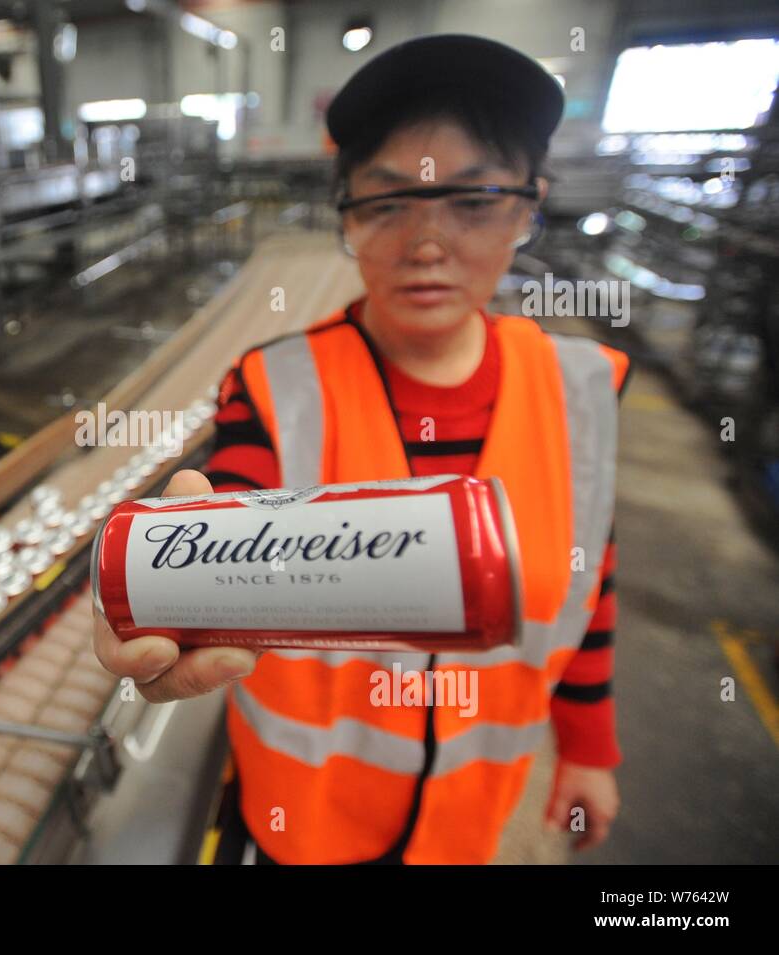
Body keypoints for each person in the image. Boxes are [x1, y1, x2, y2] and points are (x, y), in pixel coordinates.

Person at [93, 34, 630, 864]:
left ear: (530, 205)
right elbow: (231, 495)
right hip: (300, 824)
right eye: (387, 203)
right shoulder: (277, 388)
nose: (425, 244)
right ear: (344, 213)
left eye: (475, 201)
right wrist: (174, 591)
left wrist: (589, 748)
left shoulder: (583, 390)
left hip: (466, 825)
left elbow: (590, 583)